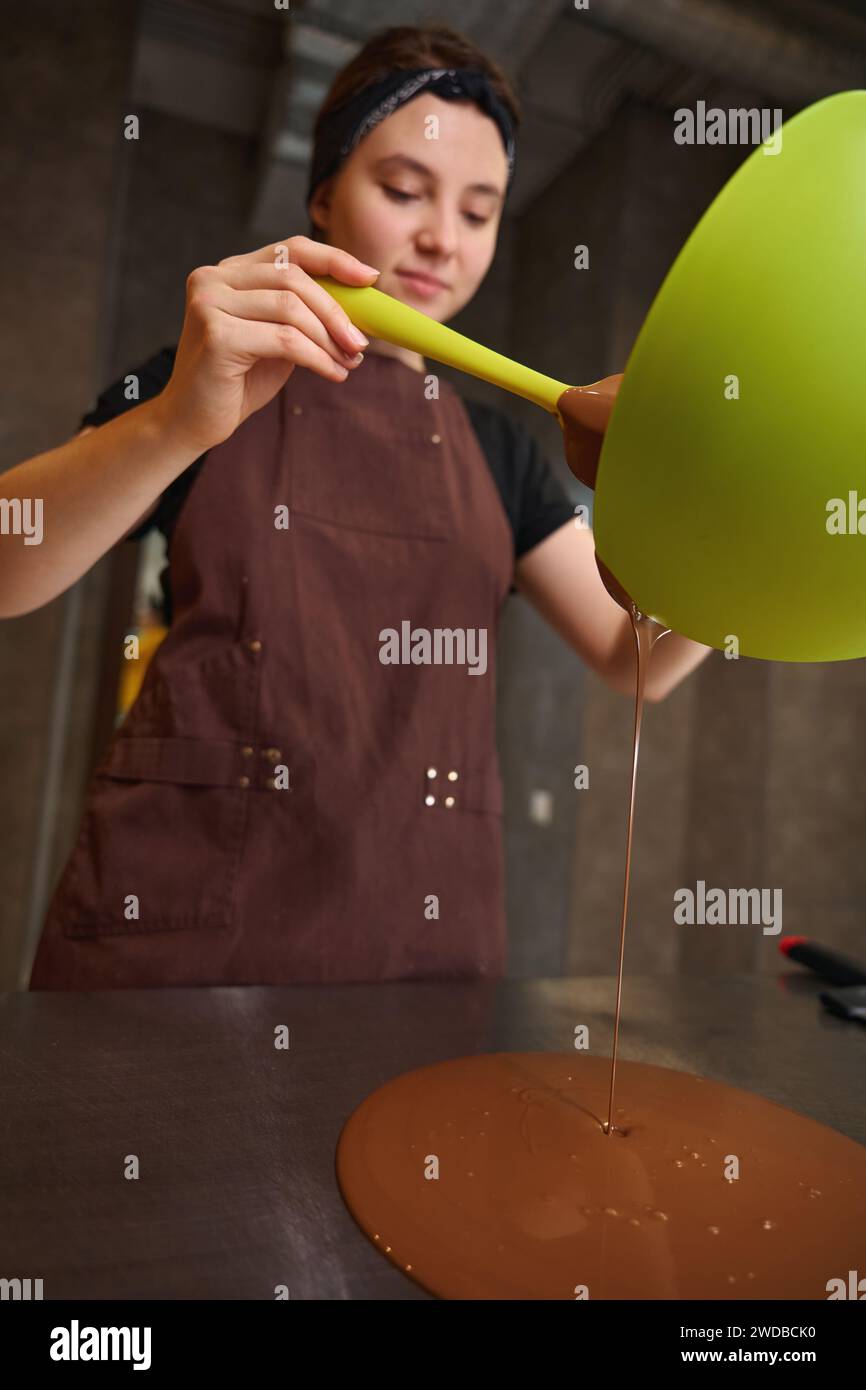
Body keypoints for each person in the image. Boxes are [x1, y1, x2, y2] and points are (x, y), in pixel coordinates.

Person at [3, 24, 712, 990]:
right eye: (404, 190)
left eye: (479, 210)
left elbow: (640, 659)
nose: (440, 238)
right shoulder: (201, 376)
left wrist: (750, 536)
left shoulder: (502, 449)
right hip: (179, 938)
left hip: (414, 951)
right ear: (324, 195)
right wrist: (173, 423)